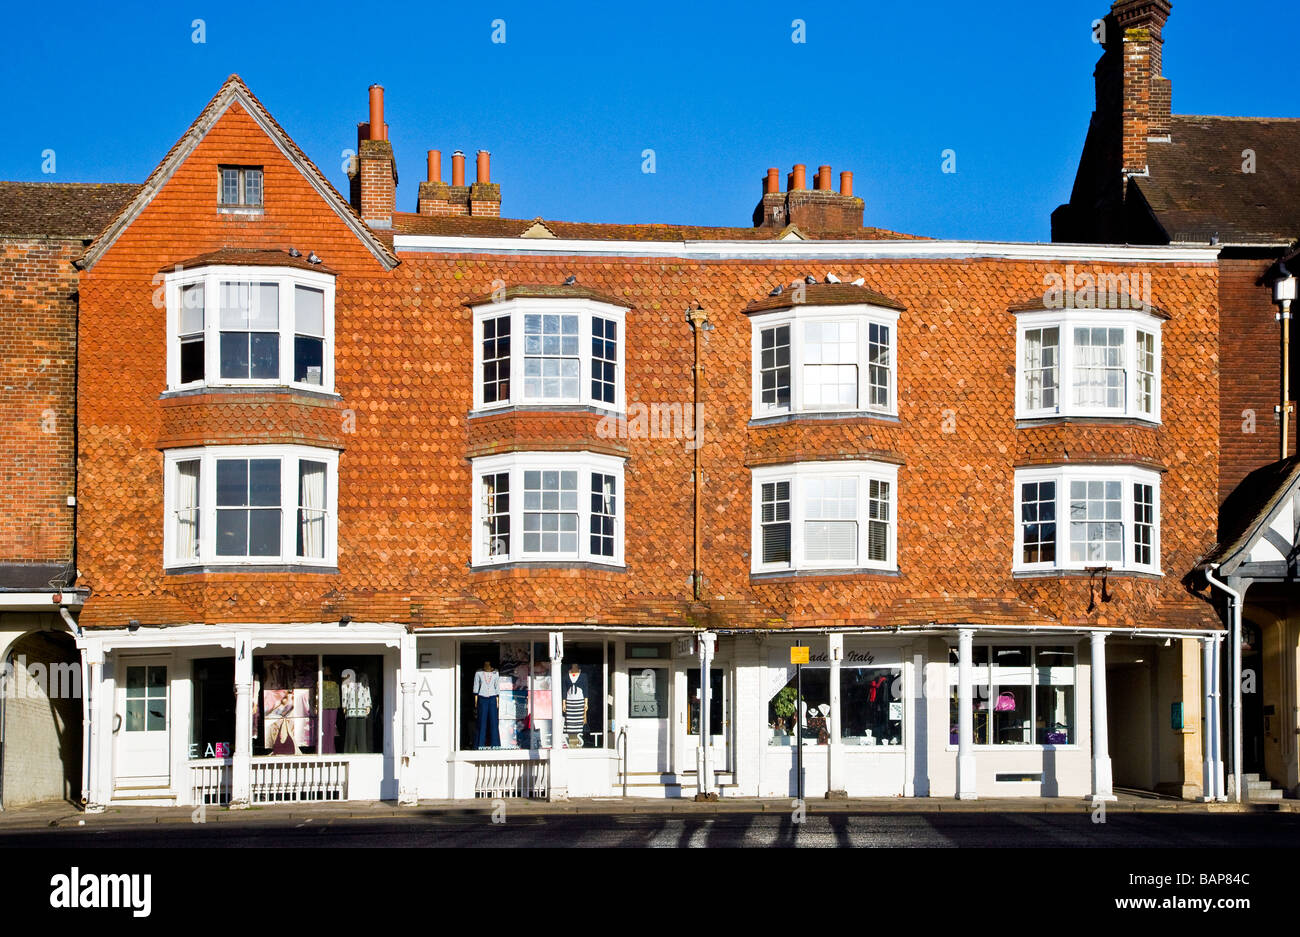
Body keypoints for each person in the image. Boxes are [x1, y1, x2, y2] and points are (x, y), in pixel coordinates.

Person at [473, 660, 501, 749]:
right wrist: (476, 701)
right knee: (481, 722)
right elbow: (476, 686)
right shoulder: (479, 673)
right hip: (482, 697)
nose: (487, 665)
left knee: (494, 722)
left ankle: (495, 745)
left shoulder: (495, 673)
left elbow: (497, 686)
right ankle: (479, 744)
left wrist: (497, 700)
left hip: (493, 697)